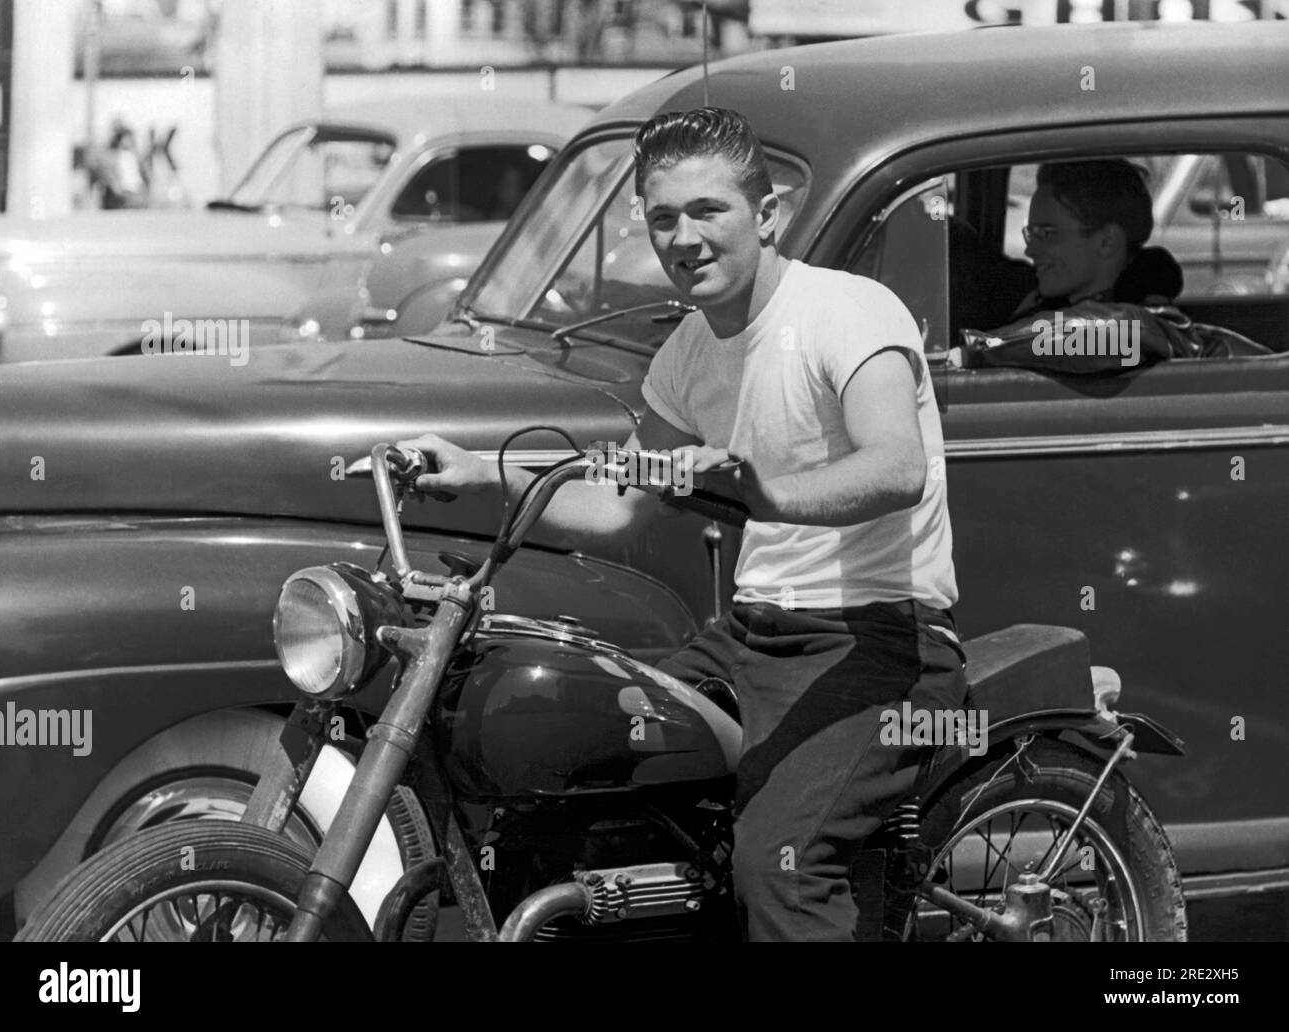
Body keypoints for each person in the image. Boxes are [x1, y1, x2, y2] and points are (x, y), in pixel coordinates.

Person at [396, 107, 966, 941]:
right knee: (587, 761)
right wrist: (477, 470)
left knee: (781, 865)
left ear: (766, 217)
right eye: (663, 218)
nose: (684, 238)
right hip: (752, 636)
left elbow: (897, 468)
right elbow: (614, 497)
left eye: (708, 212)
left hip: (881, 636)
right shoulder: (689, 352)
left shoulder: (851, 313)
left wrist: (763, 488)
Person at [956, 159, 1269, 372]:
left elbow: (1112, 332)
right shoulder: (1047, 298)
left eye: (1048, 234)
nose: (1029, 248)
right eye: (1031, 233)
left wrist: (973, 351)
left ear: (1106, 242)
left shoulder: (1150, 325)